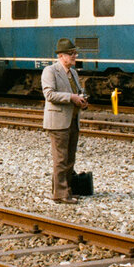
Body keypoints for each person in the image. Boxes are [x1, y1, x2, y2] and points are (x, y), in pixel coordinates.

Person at [41, 37, 89, 204]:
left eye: (75, 53)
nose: (75, 56)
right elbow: (49, 94)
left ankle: (66, 190)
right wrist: (71, 97)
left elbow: (77, 92)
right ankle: (60, 194)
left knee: (69, 158)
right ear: (61, 56)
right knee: (61, 159)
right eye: (71, 53)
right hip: (58, 122)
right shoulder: (50, 71)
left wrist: (82, 100)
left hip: (72, 121)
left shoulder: (73, 73)